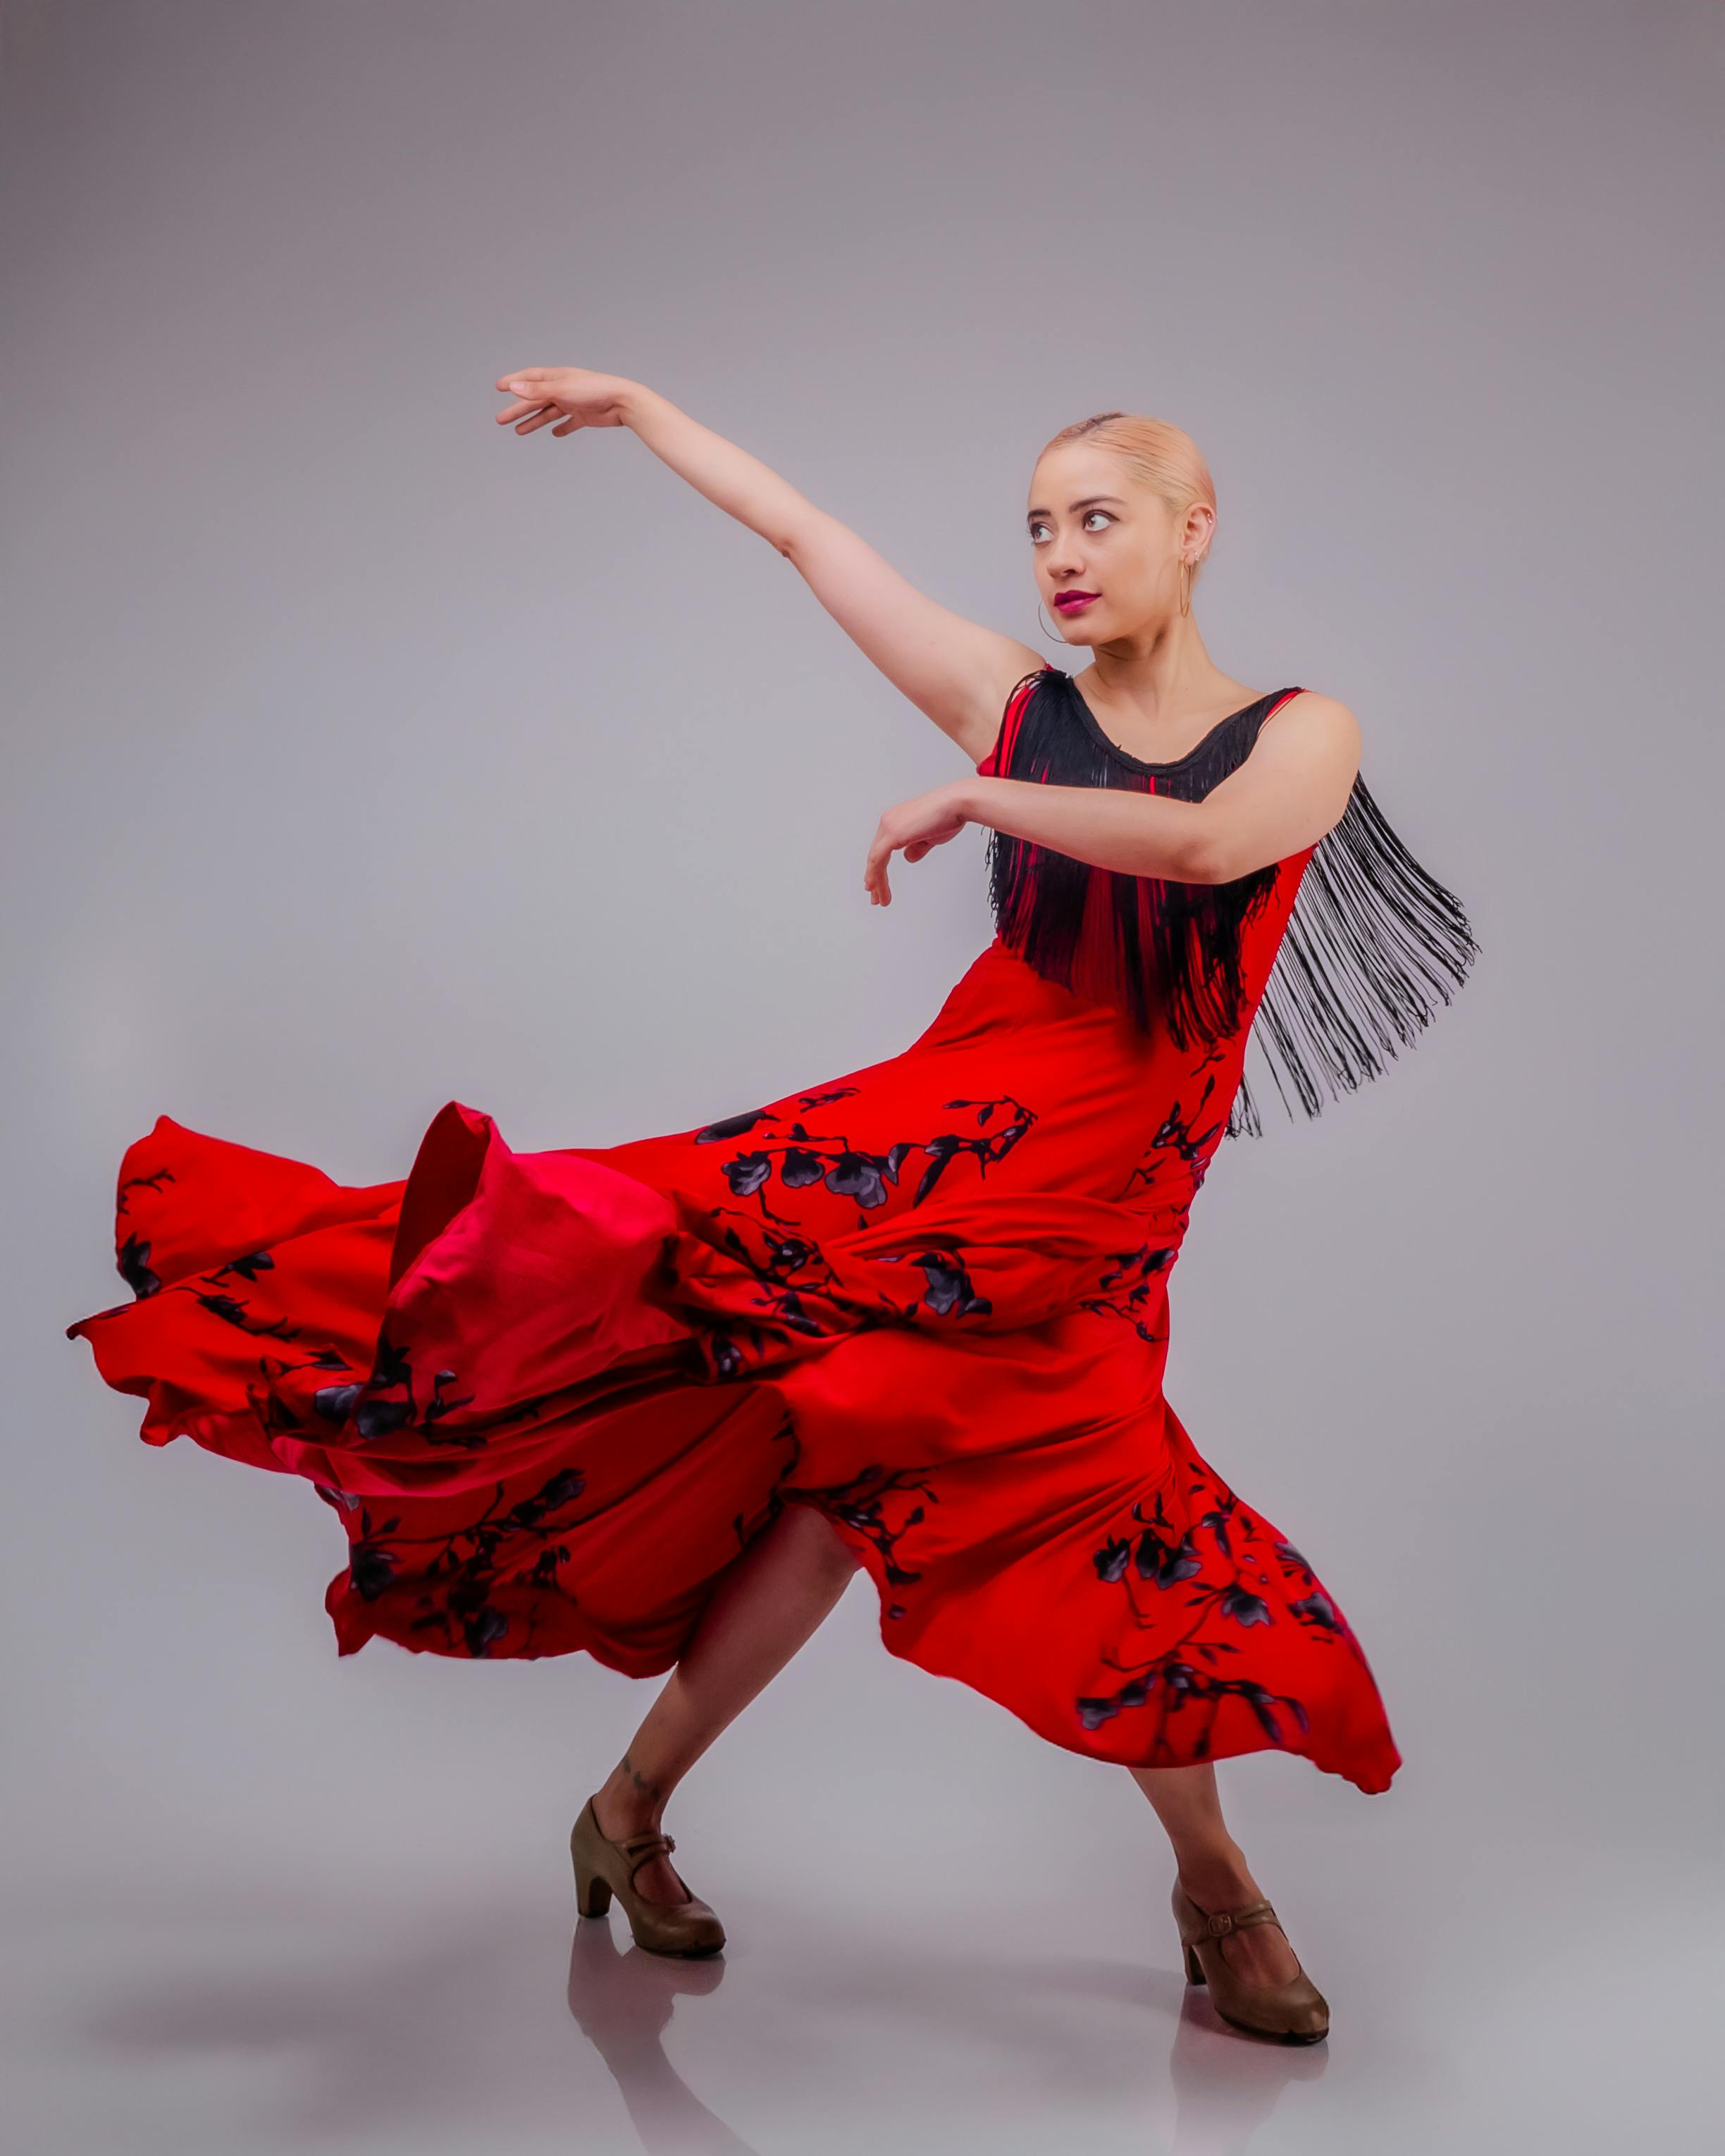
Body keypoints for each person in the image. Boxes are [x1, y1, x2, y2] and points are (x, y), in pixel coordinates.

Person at [67, 371, 1477, 2046]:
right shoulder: (1017, 705)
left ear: (1195, 529)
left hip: (1096, 1217)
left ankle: (645, 1818)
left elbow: (1211, 847)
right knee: (647, 1278)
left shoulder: (1301, 734)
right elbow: (805, 534)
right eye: (1039, 526)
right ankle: (1208, 1886)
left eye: (1097, 519)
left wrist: (977, 798)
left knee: (1057, 1504)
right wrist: (642, 407)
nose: (1059, 555)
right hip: (929, 1165)